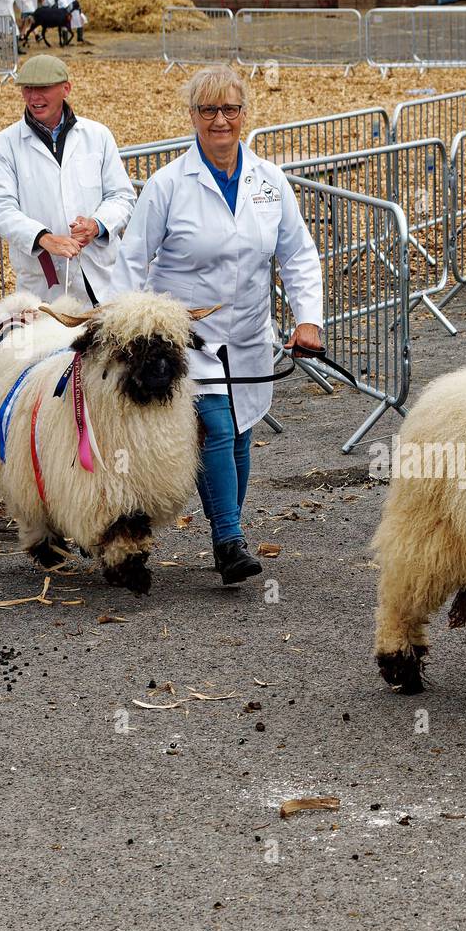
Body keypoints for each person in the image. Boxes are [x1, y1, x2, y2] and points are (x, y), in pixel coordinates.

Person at [111, 66, 324, 586]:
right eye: (209, 110)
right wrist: (129, 333)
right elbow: (131, 260)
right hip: (186, 340)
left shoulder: (270, 183)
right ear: (193, 118)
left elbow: (298, 256)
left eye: (230, 109)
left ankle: (226, 531)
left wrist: (309, 319)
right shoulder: (167, 185)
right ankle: (229, 538)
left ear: (245, 115)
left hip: (250, 333)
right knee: (217, 428)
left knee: (241, 435)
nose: (221, 120)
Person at [0, 55, 135, 305]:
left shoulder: (97, 135)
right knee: (49, 342)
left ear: (66, 89)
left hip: (101, 274)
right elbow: (0, 209)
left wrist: (97, 225)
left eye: (43, 88)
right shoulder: (4, 145)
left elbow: (122, 196)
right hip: (43, 282)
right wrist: (44, 238)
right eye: (27, 88)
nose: (34, 97)